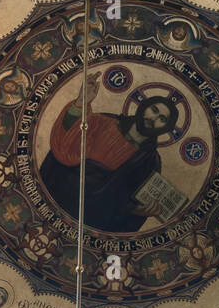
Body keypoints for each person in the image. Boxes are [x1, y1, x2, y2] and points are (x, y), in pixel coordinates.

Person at [40, 73, 180, 233]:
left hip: (92, 221)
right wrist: (80, 103)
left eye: (162, 119)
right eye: (154, 110)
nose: (153, 118)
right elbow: (65, 144)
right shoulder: (103, 122)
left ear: (165, 128)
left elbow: (127, 206)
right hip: (59, 197)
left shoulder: (149, 162)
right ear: (143, 107)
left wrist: (139, 211)